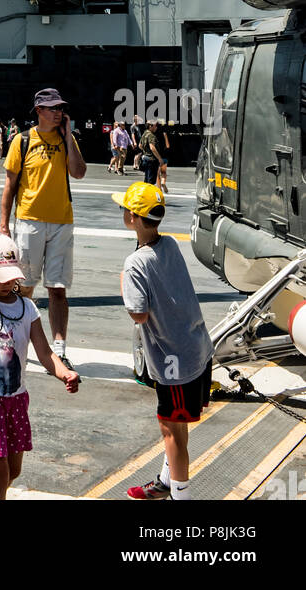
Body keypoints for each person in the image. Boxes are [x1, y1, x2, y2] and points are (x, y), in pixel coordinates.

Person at [111, 182, 213, 501]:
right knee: (176, 427)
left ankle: (180, 496)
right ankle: (167, 481)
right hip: (197, 346)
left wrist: (123, 283)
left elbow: (138, 314)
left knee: (172, 432)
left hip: (174, 360)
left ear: (133, 217)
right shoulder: (168, 244)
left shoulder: (135, 263)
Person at [0, 234, 79, 500]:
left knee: (12, 471)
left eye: (12, 276)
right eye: (1, 277)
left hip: (15, 399)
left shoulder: (27, 307)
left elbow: (45, 352)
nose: (9, 282)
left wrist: (64, 373)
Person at [0, 88, 86, 371]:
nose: (58, 112)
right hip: (29, 221)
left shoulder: (66, 139)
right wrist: (4, 226)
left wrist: (68, 136)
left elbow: (79, 172)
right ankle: (17, 340)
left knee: (58, 288)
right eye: (52, 108)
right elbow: (10, 185)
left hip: (62, 221)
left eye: (60, 107)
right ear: (38, 111)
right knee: (24, 286)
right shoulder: (22, 141)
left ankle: (59, 349)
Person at [139, 120, 164, 184]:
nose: (156, 127)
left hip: (145, 158)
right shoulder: (151, 135)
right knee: (151, 181)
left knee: (146, 179)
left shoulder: (144, 134)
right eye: (155, 126)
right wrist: (159, 158)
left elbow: (140, 145)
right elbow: (152, 147)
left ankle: (145, 193)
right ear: (150, 126)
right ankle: (148, 193)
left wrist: (145, 151)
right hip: (151, 160)